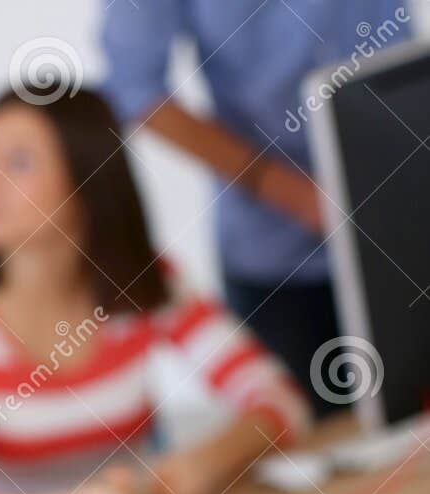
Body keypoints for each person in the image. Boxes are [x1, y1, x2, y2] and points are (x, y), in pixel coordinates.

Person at [0, 85, 308, 494]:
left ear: (87, 179)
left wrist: (212, 459)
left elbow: (282, 401)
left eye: (19, 163)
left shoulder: (146, 282)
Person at [101, 0, 413, 413]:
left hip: (407, 220)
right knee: (316, 433)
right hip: (281, 263)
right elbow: (134, 89)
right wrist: (287, 190)